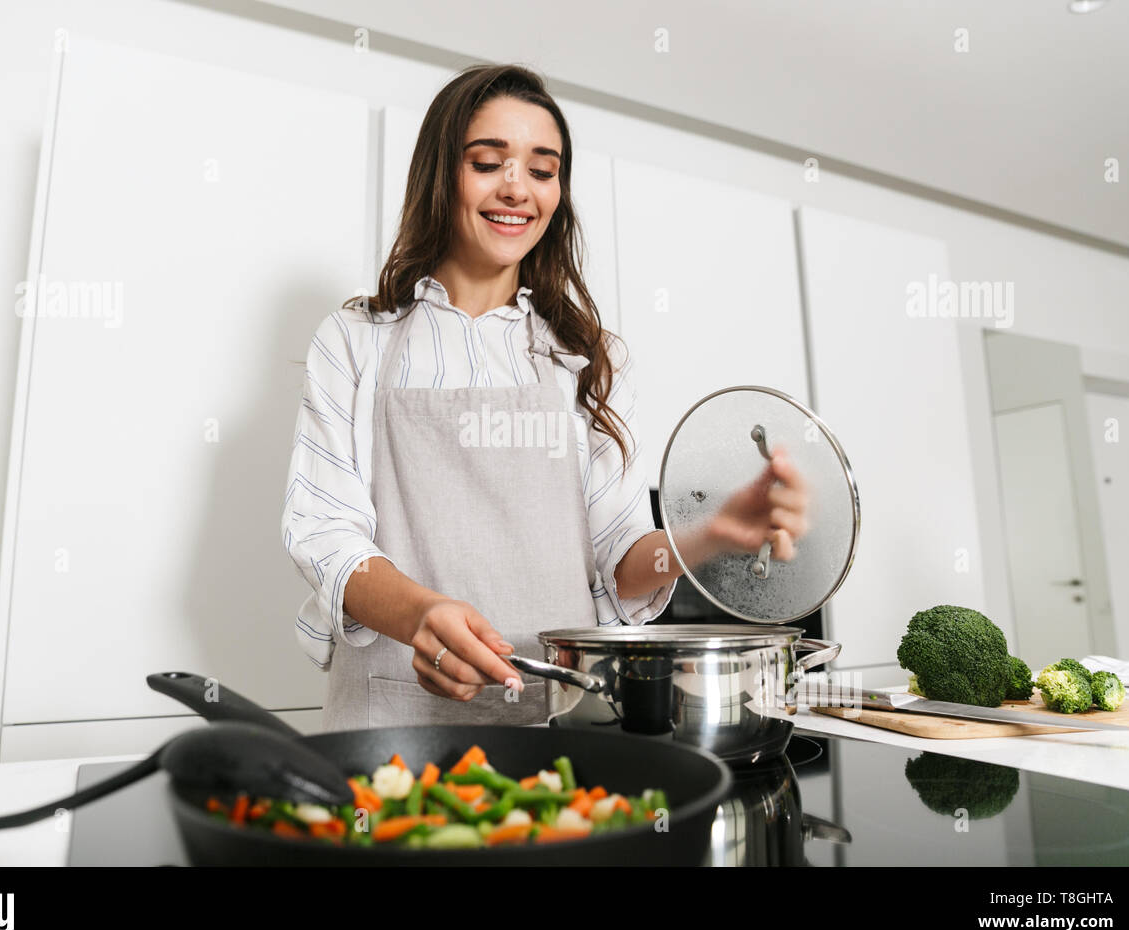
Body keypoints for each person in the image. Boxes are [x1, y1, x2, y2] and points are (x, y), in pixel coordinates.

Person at [281, 64, 809, 731]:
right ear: (440, 173)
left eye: (542, 169)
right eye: (487, 162)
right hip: (392, 721)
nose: (517, 188)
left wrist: (706, 535)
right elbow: (325, 532)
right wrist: (420, 615)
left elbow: (619, 560)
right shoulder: (357, 339)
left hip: (560, 719)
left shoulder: (591, 358)